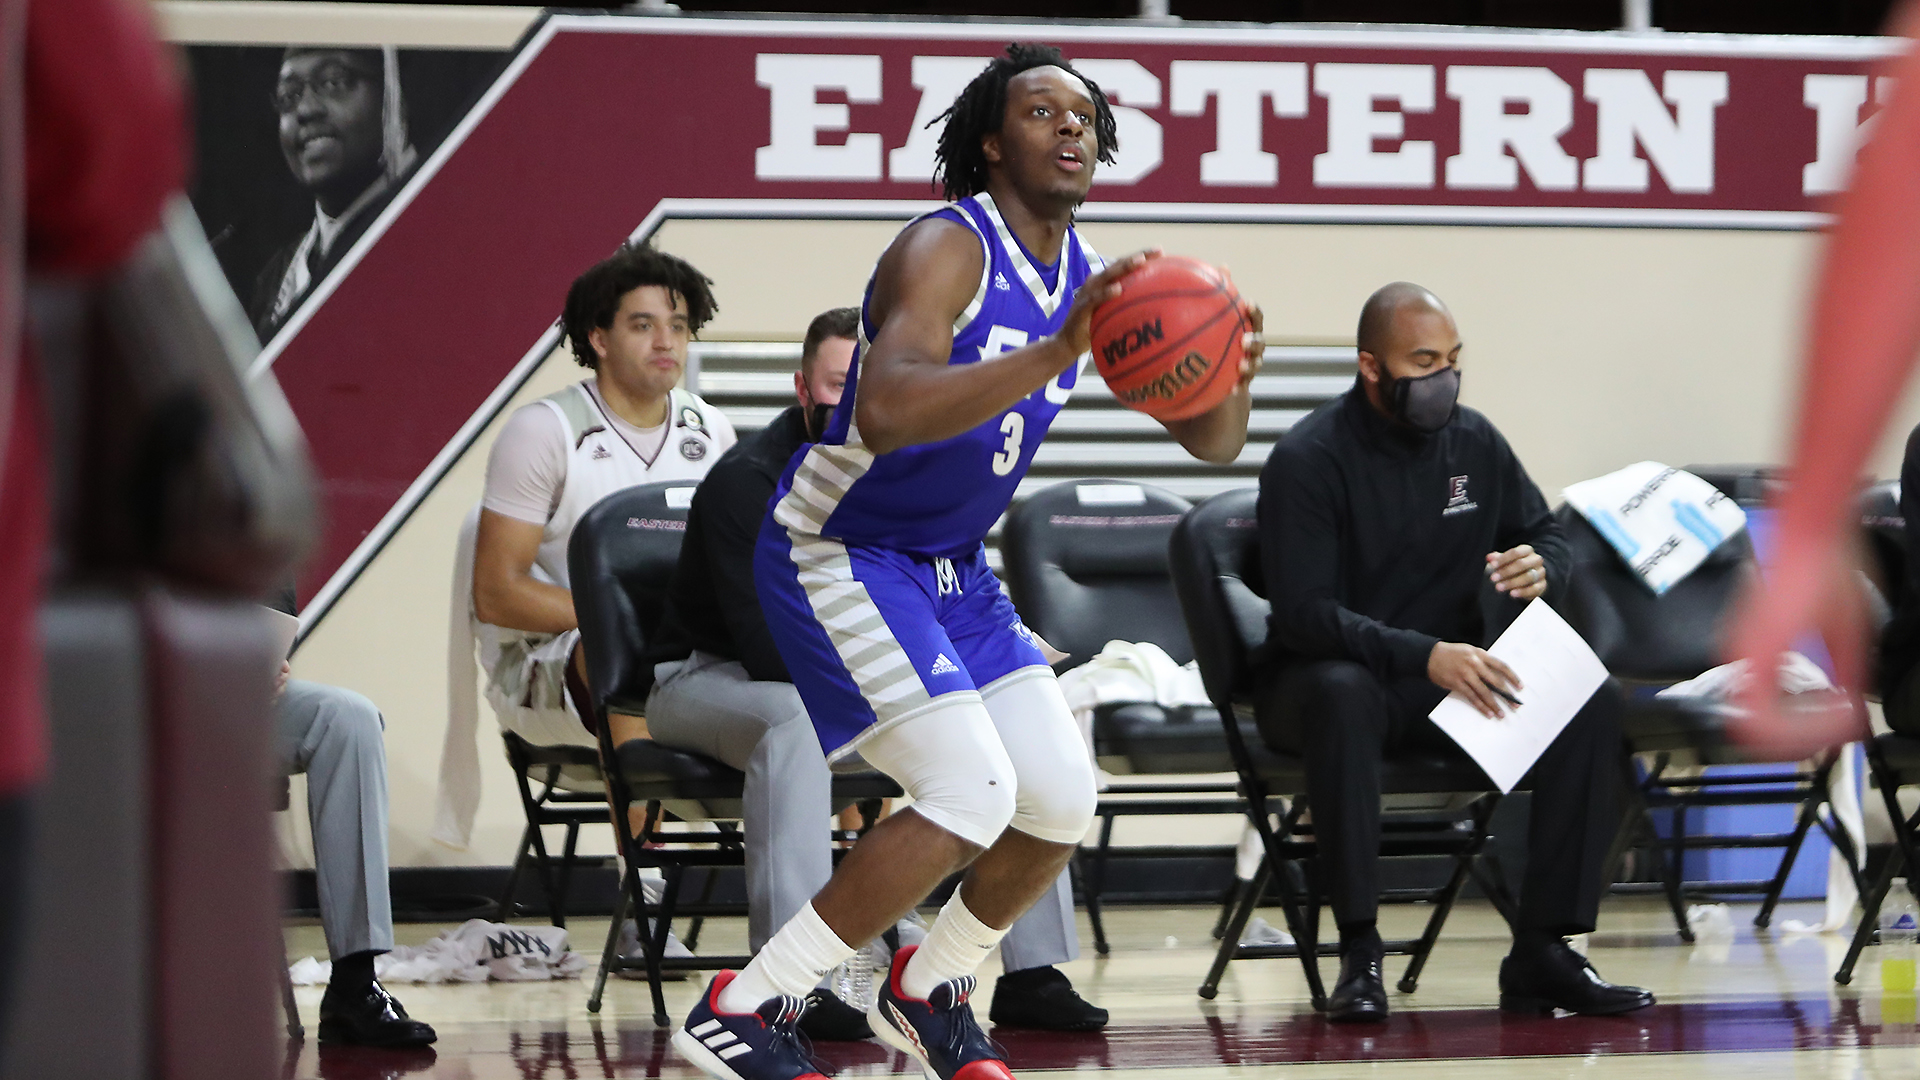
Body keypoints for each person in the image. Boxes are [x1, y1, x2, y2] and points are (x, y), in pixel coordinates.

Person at [672, 43, 1261, 1080]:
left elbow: (1212, 444)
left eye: (1083, 115)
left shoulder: (1091, 277)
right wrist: (1054, 352)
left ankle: (931, 986)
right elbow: (888, 410)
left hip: (953, 568)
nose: (1070, 126)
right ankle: (747, 1004)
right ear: (991, 142)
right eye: (1041, 111)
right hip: (842, 549)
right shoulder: (947, 246)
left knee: (1061, 795)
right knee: (968, 790)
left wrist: (1230, 369)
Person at [647, 307, 1105, 1043]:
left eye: (862, 383)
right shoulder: (750, 482)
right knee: (798, 724)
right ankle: (796, 980)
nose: (851, 401)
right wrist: (909, 683)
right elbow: (767, 647)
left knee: (1027, 748)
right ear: (803, 390)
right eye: (836, 386)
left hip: (831, 658)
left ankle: (1029, 970)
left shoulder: (905, 468)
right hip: (705, 678)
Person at [1253, 281, 1653, 1023]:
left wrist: (1543, 565)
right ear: (1371, 367)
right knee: (1342, 693)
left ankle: (1545, 949)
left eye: (1452, 359)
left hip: (1451, 676)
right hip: (1330, 678)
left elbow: (1547, 532)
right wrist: (1425, 654)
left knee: (1590, 699)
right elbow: (1306, 615)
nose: (1444, 377)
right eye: (1423, 362)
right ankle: (1360, 952)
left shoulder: (1475, 442)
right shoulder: (1310, 458)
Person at [438, 243, 734, 848]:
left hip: (679, 659)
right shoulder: (543, 431)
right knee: (620, 653)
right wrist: (628, 624)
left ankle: (837, 881)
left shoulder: (711, 430)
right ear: (599, 338)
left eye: (678, 326)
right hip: (543, 668)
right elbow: (495, 594)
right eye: (643, 325)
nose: (666, 342)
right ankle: (646, 880)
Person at [268, 594, 435, 1047]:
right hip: (124, 687)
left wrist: (265, 662)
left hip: (225, 691)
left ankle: (354, 983)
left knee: (349, 717)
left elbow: (272, 601)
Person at [249, 46, 417, 341]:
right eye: (288, 95)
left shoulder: (424, 245)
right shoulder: (275, 279)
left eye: (333, 82)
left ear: (392, 95)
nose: (305, 109)